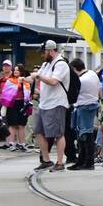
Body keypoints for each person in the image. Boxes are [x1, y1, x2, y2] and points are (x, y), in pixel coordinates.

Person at [34, 40, 71, 171]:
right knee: (38, 131)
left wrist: (39, 76)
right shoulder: (46, 64)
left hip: (57, 103)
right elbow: (40, 78)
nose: (42, 55)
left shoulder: (61, 64)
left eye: (44, 52)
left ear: (50, 51)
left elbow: (54, 81)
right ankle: (46, 160)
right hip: (44, 103)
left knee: (58, 134)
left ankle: (60, 162)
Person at [70, 58, 101, 170]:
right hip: (91, 105)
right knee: (86, 134)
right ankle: (83, 161)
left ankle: (87, 162)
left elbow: (72, 93)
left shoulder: (81, 80)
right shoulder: (92, 74)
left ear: (74, 69)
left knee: (84, 135)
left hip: (83, 107)